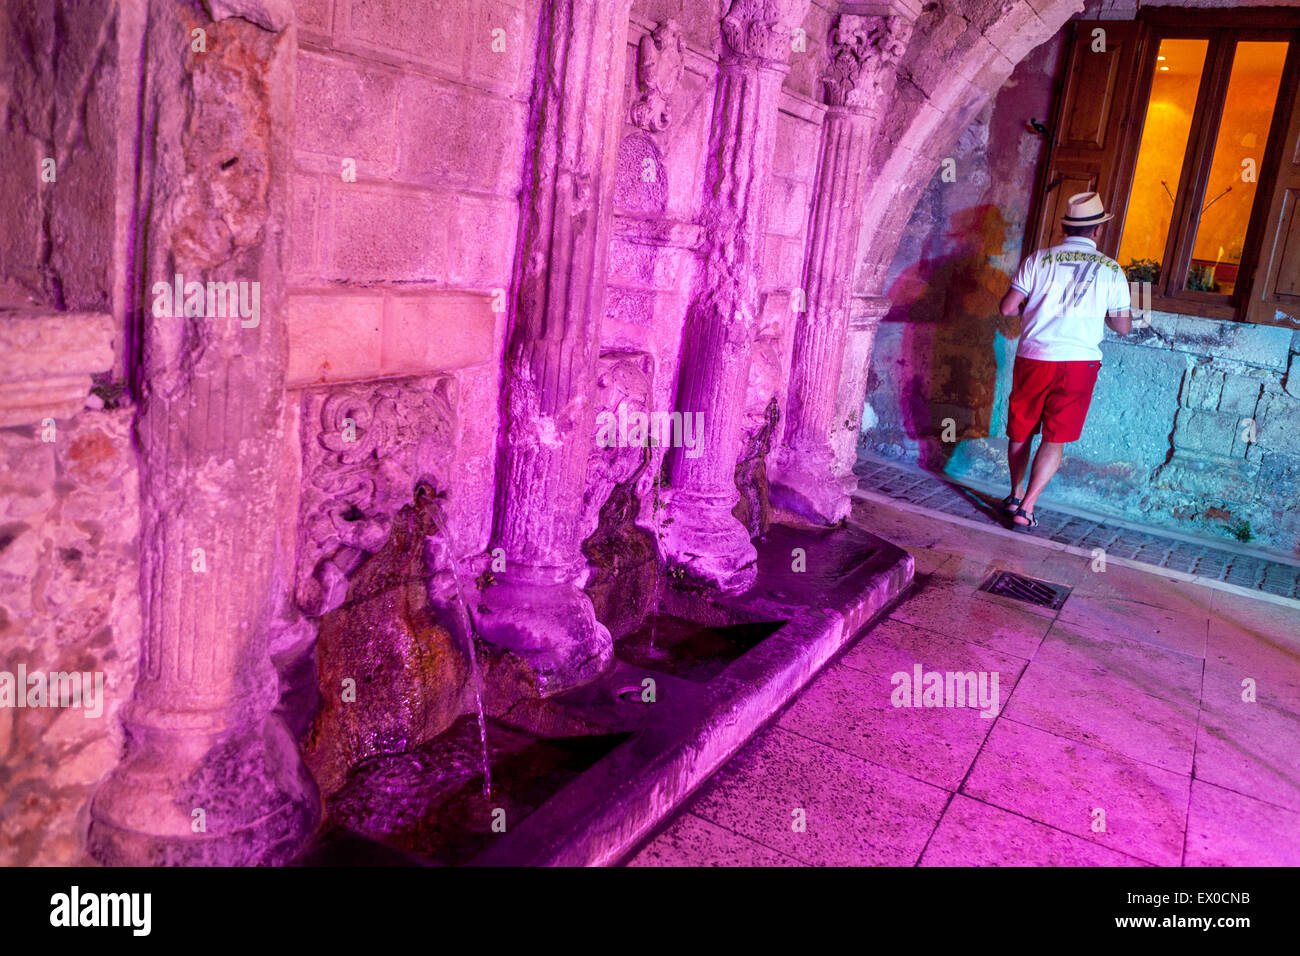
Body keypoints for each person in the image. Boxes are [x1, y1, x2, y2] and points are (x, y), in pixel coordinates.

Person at [997, 192, 1133, 532]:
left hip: (1035, 356)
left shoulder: (1038, 260)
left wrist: (1034, 311)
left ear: (1064, 226)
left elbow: (1007, 308)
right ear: (1098, 231)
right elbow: (1123, 325)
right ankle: (1026, 508)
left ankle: (1014, 494)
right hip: (1079, 363)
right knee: (1054, 438)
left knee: (1022, 428)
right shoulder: (1111, 269)